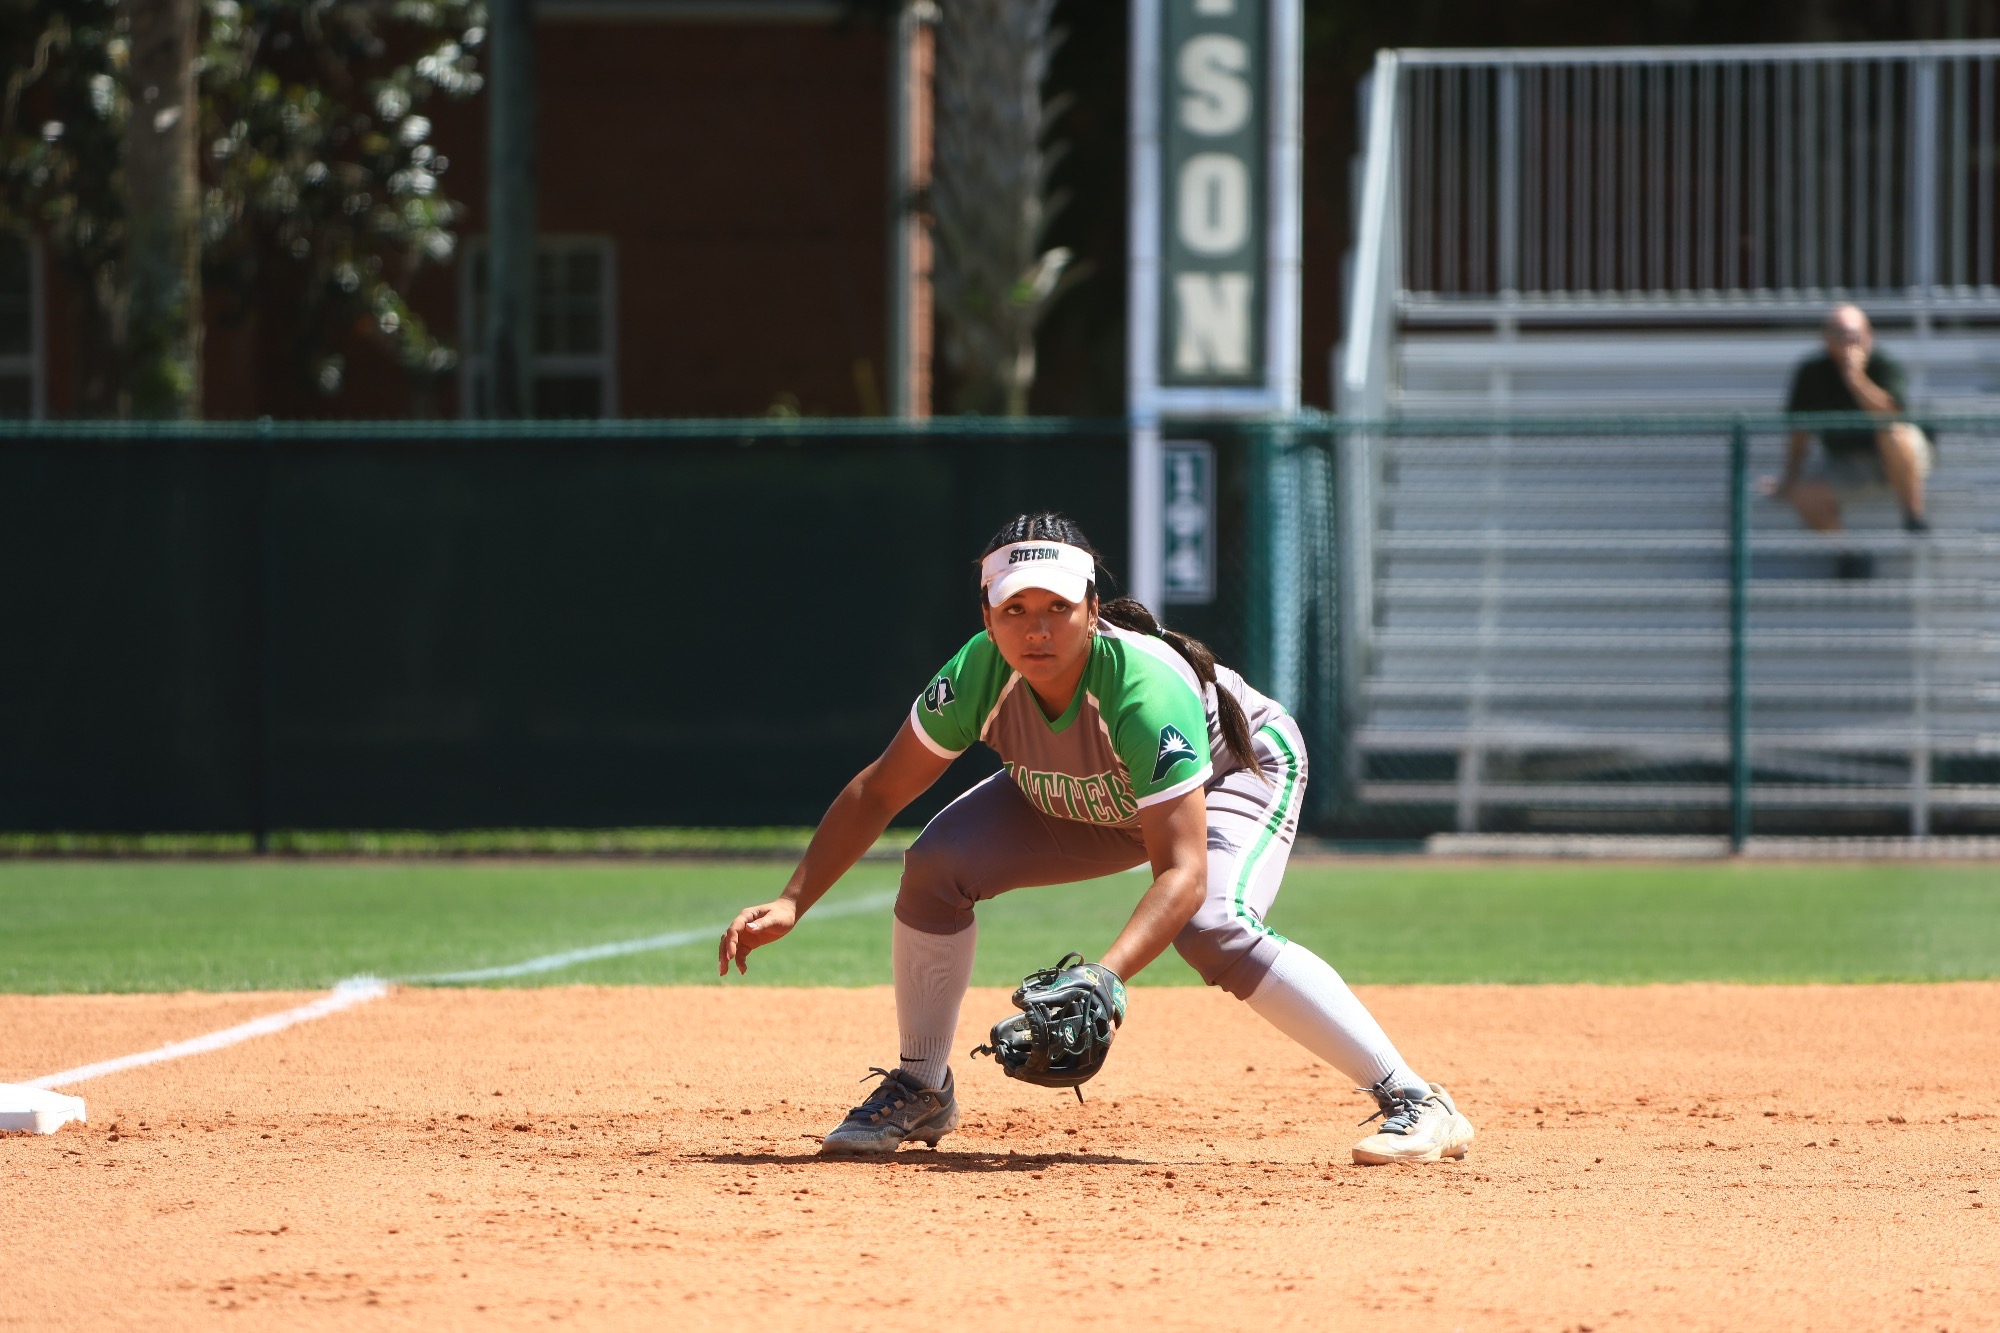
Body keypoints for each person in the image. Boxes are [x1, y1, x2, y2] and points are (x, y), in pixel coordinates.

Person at [717, 512, 1475, 1166]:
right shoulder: (978, 675)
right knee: (936, 865)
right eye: (1015, 609)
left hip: (1229, 774)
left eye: (1055, 606)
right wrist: (793, 900)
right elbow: (882, 787)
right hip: (1090, 791)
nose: (1036, 628)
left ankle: (1414, 1096)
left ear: (1092, 606)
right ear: (986, 615)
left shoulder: (1143, 689)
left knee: (1213, 927)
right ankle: (921, 1085)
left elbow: (1181, 871)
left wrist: (1105, 979)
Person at [1764, 305, 1933, 569]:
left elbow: (1891, 414)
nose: (1848, 343)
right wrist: (1789, 478)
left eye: (1854, 336)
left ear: (1869, 336)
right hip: (1845, 462)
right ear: (1826, 339)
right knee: (1801, 494)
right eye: (1840, 335)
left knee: (1891, 432)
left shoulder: (1883, 364)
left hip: (1897, 459)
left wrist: (1855, 378)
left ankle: (1913, 515)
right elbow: (1799, 432)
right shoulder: (1812, 372)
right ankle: (1848, 554)